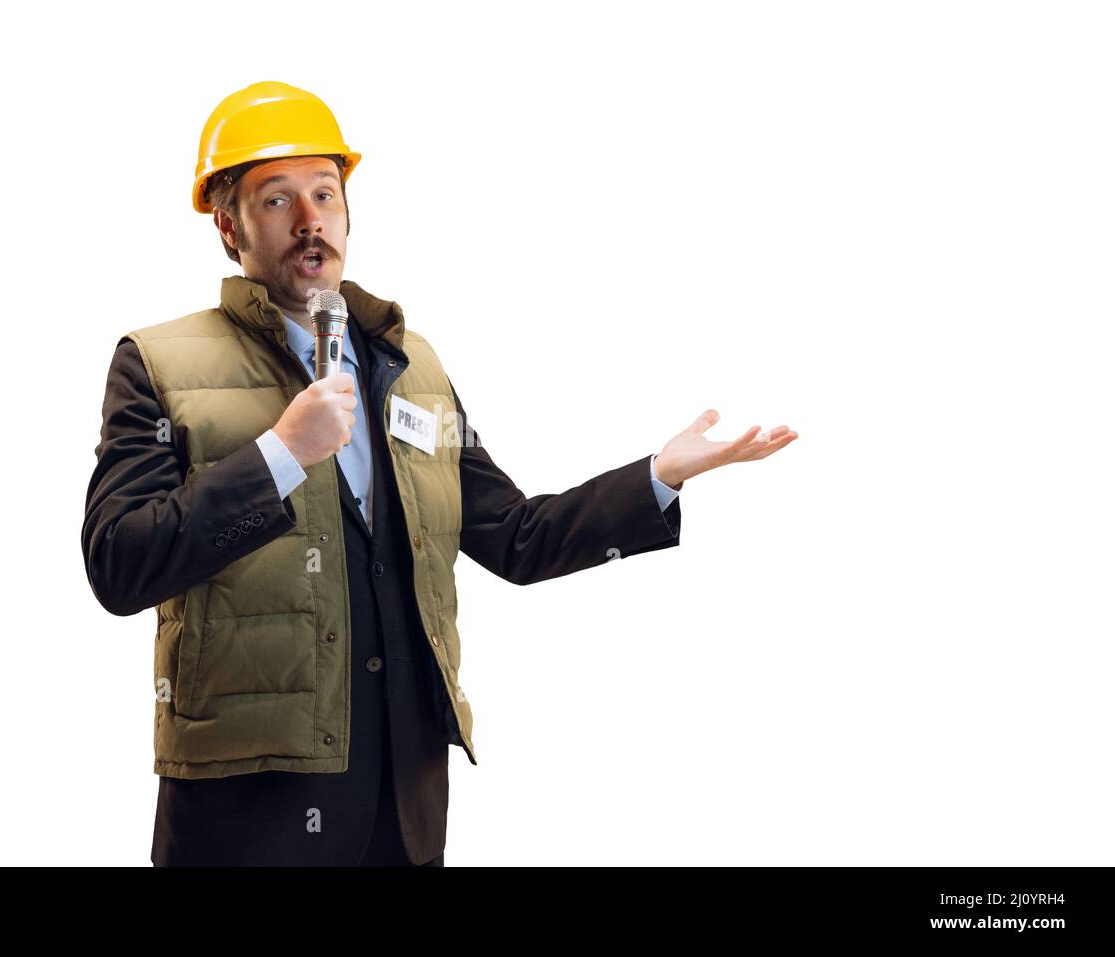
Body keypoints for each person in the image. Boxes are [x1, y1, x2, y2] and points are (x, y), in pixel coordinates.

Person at [80, 80, 798, 867]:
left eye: (325, 192)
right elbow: (121, 561)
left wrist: (657, 477)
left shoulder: (410, 365)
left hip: (404, 802)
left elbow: (516, 539)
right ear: (228, 227)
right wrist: (281, 452)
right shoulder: (157, 364)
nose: (310, 218)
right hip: (248, 816)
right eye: (276, 200)